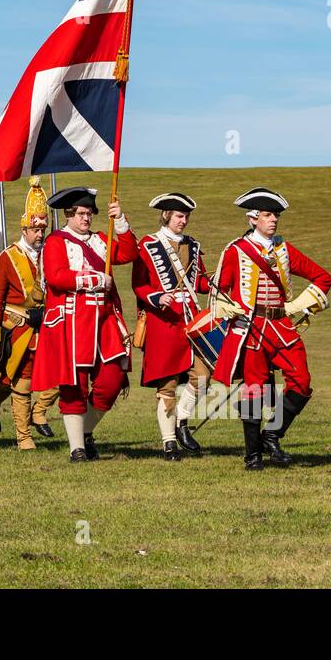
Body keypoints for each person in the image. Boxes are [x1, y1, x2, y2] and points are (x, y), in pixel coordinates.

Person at [212, 188, 331, 469]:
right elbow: (220, 290)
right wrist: (226, 308)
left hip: (281, 326)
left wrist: (299, 306)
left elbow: (323, 277)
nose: (273, 220)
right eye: (267, 215)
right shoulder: (236, 250)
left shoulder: (283, 249)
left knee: (301, 382)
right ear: (253, 218)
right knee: (253, 389)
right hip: (251, 329)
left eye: (276, 215)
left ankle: (272, 434)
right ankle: (252, 455)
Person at [32, 187, 136, 462]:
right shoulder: (56, 241)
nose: (86, 218)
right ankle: (77, 448)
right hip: (73, 320)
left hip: (104, 320)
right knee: (74, 386)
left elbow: (127, 253)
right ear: (68, 214)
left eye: (89, 213)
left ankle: (85, 431)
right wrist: (96, 280)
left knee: (112, 381)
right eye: (81, 213)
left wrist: (121, 219)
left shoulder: (102, 239)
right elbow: (56, 277)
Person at [132, 193, 213, 460]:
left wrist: (217, 279)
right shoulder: (148, 245)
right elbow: (139, 284)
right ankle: (169, 443)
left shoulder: (193, 245)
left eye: (187, 216)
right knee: (166, 384)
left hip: (191, 319)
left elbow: (199, 282)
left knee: (202, 374)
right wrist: (156, 297)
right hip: (163, 320)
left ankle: (181, 421)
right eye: (179, 215)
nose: (184, 220)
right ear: (166, 215)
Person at [0, 177, 57, 450]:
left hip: (48, 324)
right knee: (19, 380)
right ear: (24, 228)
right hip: (19, 326)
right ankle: (23, 436)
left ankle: (38, 413)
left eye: (43, 229)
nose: (40, 235)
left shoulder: (51, 253)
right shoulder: (7, 258)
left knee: (58, 376)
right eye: (35, 230)